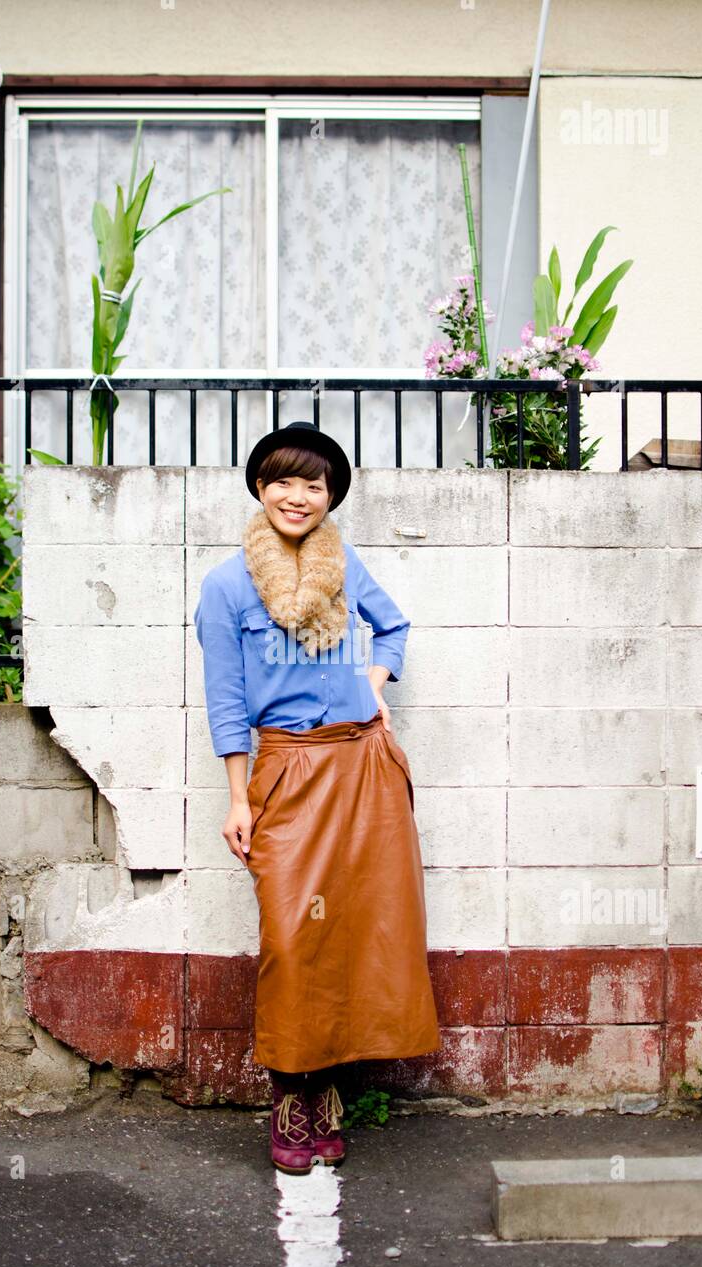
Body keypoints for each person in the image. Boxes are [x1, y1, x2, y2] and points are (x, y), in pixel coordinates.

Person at [193, 420, 440, 1174]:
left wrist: (374, 680)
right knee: (295, 942)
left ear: (330, 496)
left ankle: (327, 1094)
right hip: (287, 771)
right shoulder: (227, 585)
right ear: (260, 487)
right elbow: (227, 702)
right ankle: (290, 1098)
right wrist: (239, 799)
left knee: (363, 934)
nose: (298, 496)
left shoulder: (344, 562)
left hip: (363, 767)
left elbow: (393, 627)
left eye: (314, 484)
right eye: (283, 480)